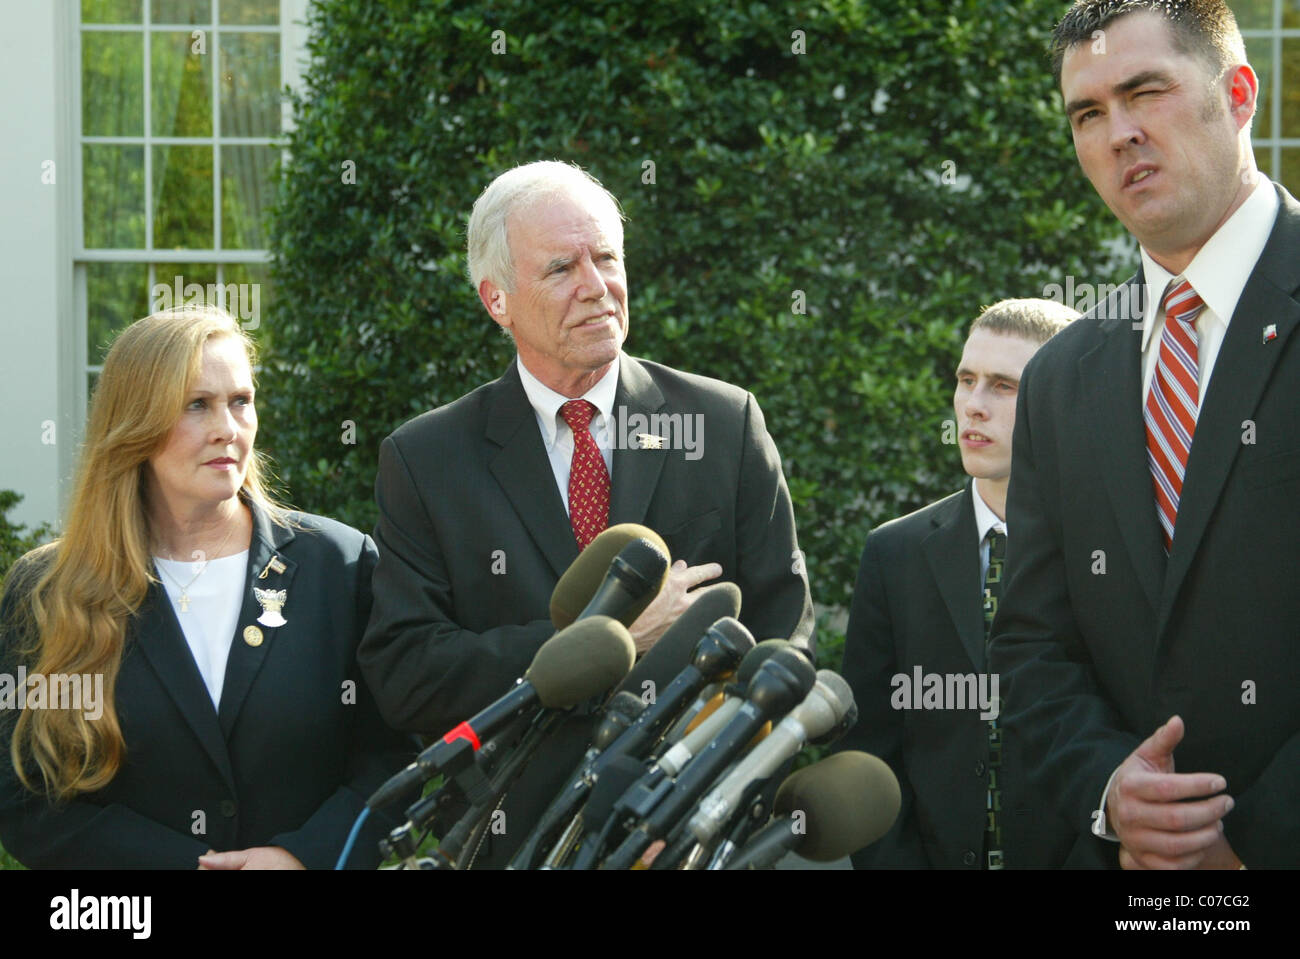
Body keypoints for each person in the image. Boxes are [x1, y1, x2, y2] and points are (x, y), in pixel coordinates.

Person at [359, 160, 814, 867]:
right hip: (514, 833)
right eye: (562, 268)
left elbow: (786, 637)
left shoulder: (723, 424)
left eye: (607, 257)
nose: (597, 287)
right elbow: (407, 671)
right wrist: (600, 640)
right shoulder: (426, 459)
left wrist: (708, 792)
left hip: (687, 831)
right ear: (497, 300)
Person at [990, 0, 1300, 869]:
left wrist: (1253, 844)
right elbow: (1030, 645)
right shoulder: (1060, 378)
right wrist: (1111, 794)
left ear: (1239, 93)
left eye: (1145, 91)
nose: (1118, 132)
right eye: (1088, 113)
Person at [0, 307, 410, 869]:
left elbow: (394, 756)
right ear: (134, 422)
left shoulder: (339, 563)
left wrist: (302, 856)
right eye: (197, 405)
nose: (228, 428)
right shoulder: (45, 591)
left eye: (241, 401)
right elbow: (25, 795)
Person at [837, 299, 1078, 869]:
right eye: (966, 380)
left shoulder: (1113, 551)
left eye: (1003, 386)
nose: (972, 406)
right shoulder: (894, 552)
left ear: (1064, 399)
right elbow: (868, 746)